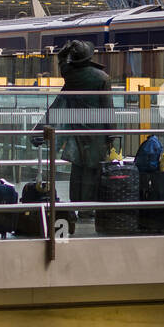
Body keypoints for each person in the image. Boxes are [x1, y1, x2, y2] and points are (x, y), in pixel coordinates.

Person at [35, 40, 112, 214]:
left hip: (76, 128)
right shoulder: (103, 78)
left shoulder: (69, 73)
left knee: (77, 169)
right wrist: (111, 135)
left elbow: (61, 58)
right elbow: (108, 109)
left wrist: (67, 49)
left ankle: (74, 203)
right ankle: (88, 209)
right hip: (97, 131)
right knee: (92, 170)